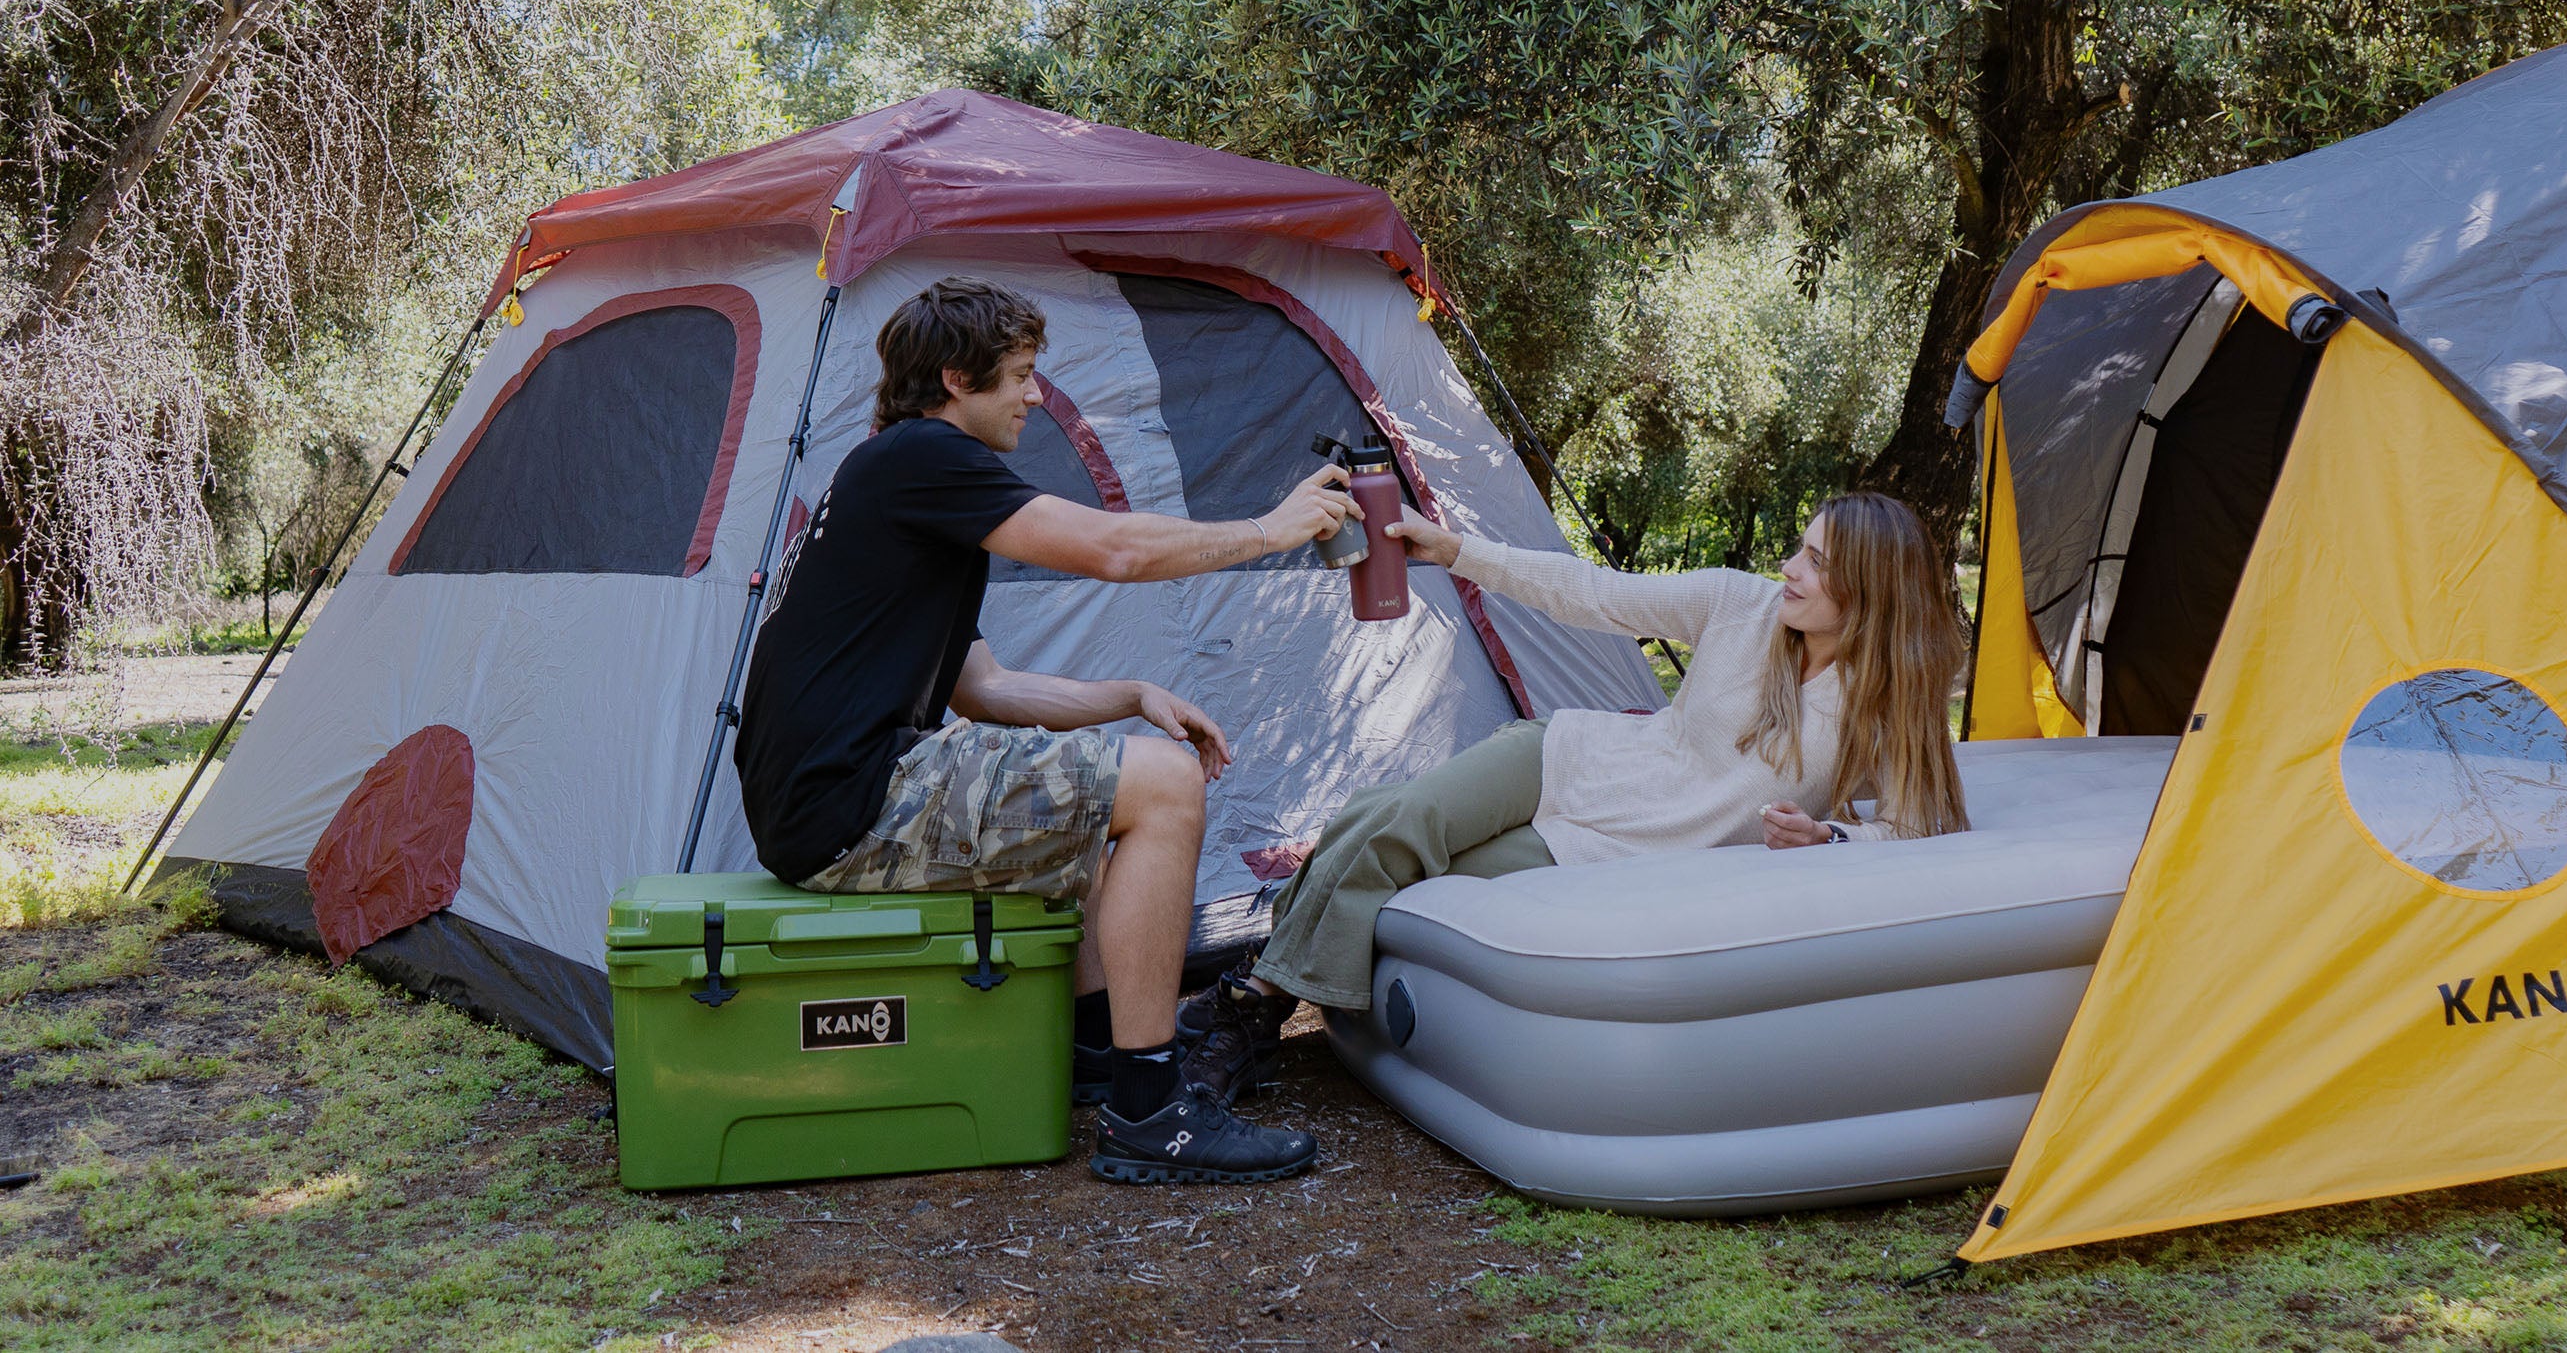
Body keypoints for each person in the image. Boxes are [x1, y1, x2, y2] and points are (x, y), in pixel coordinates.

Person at [736, 276, 1361, 1185]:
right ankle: (1151, 1111)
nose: (1036, 395)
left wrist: (1133, 693)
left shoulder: (896, 482)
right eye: (1021, 375)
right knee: (1165, 785)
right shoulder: (923, 459)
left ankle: (1095, 1054)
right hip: (850, 804)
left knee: (1105, 792)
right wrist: (1271, 528)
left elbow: (985, 689)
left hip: (829, 801)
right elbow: (1116, 549)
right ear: (956, 379)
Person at [1175, 489, 1974, 1103]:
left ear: (1870, 587)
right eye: (1800, 548)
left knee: (1425, 867)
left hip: (1612, 849)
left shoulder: (1885, 700)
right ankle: (1258, 1005)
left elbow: (1920, 824)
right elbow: (1592, 593)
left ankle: (1247, 992)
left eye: (1818, 561)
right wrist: (1455, 548)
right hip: (1569, 755)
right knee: (1402, 819)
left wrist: (1831, 839)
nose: (1791, 569)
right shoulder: (1743, 604)